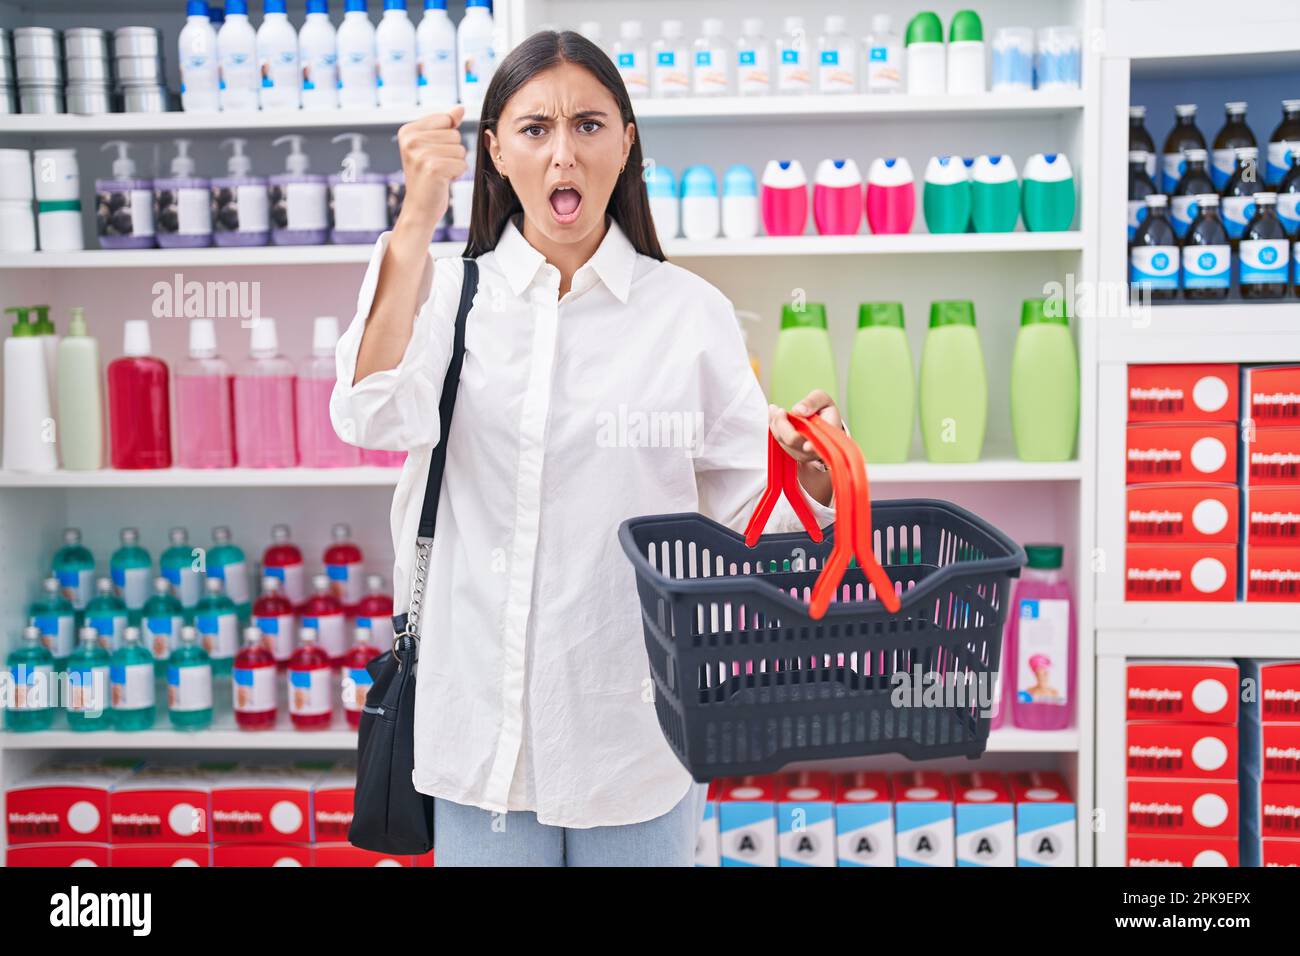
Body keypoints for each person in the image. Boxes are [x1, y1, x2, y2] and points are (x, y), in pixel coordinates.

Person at [331, 29, 843, 867]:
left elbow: (755, 512)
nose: (563, 154)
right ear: (493, 151)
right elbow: (368, 416)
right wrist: (418, 215)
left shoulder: (688, 313)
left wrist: (810, 474)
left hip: (637, 737)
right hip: (480, 739)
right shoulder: (446, 295)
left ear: (627, 141)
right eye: (535, 130)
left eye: (589, 125)